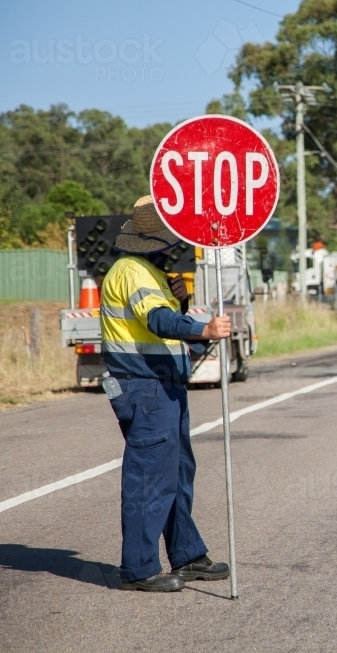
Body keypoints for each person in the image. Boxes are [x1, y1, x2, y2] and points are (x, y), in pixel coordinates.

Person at [100, 196, 232, 592]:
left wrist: (183, 300)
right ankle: (138, 570)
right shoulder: (133, 272)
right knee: (149, 479)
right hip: (145, 386)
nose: (176, 245)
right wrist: (203, 329)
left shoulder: (149, 271)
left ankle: (187, 553)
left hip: (163, 385)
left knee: (175, 474)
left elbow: (160, 318)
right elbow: (157, 320)